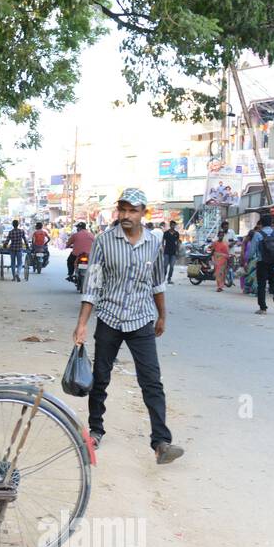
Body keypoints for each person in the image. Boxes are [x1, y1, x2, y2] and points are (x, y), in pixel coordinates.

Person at [72, 188, 183, 465]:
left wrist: (162, 316)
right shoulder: (104, 242)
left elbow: (157, 283)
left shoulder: (154, 243)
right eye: (122, 209)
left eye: (132, 210)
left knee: (151, 381)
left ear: (143, 213)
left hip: (141, 319)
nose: (126, 215)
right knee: (100, 377)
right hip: (109, 317)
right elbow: (93, 285)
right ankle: (96, 430)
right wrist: (82, 323)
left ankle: (161, 442)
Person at [253, 214, 274, 315]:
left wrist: (246, 261)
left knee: (261, 285)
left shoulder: (258, 235)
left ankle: (263, 308)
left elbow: (252, 250)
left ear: (261, 223)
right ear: (271, 223)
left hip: (262, 262)